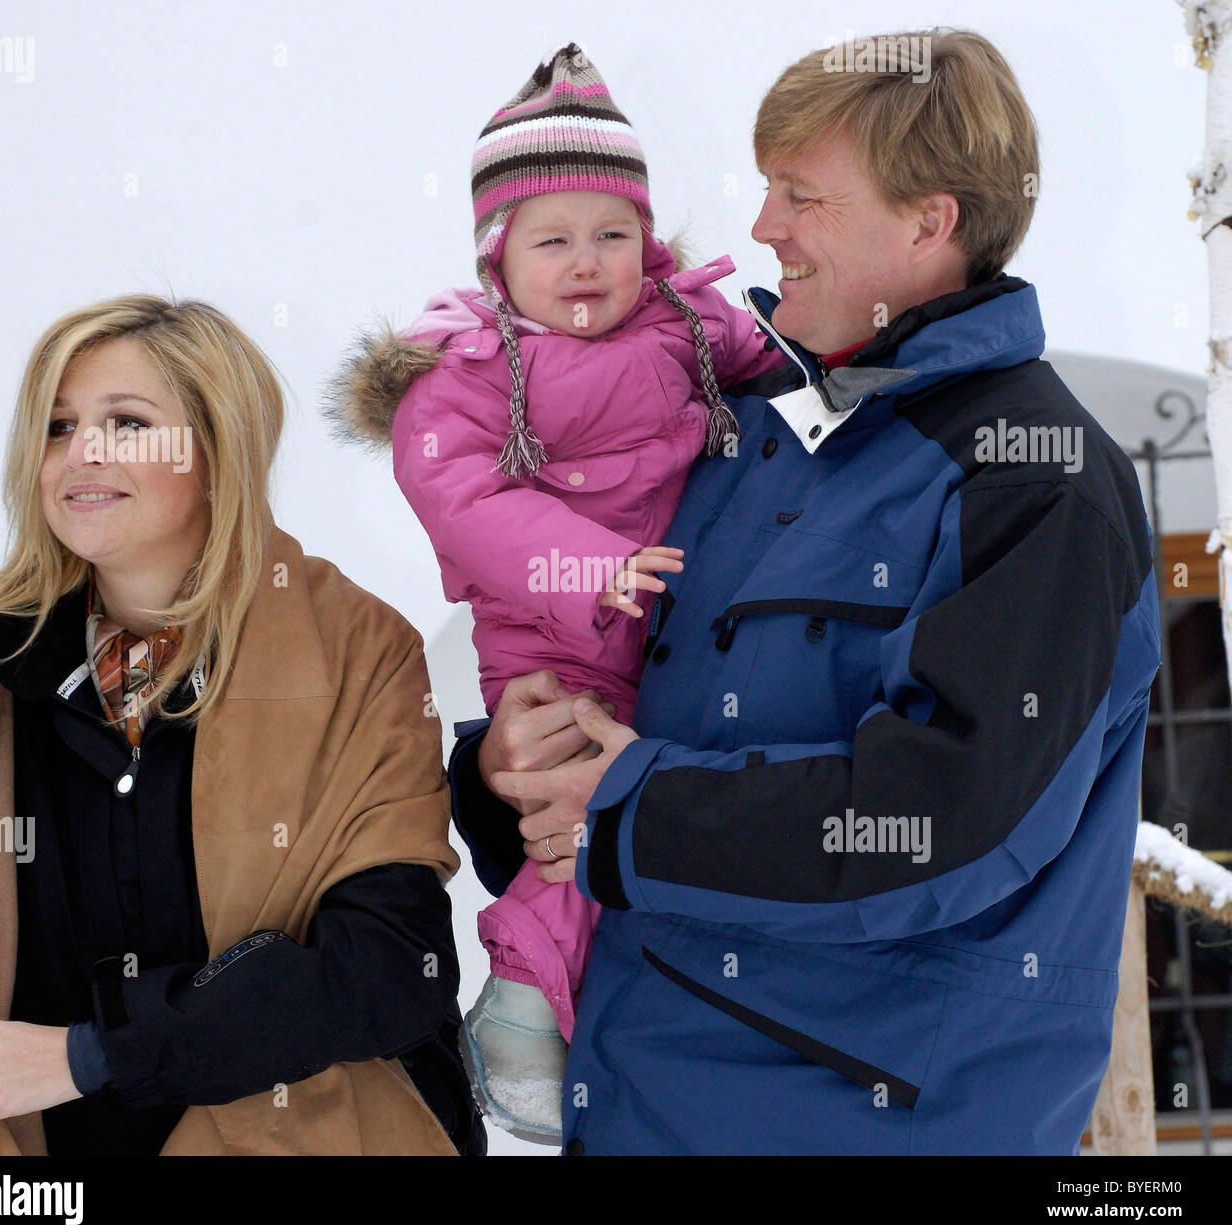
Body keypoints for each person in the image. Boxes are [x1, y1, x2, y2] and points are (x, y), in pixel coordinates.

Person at [445, 28, 1162, 1155]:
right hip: (642, 1098)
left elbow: (948, 818)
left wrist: (629, 807)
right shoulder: (747, 438)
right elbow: (633, 732)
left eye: (801, 196)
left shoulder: (1036, 479)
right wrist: (511, 772)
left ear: (930, 221)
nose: (763, 228)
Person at [330, 43, 780, 1142]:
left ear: (648, 238)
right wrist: (586, 568)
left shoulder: (684, 320)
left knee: (646, 813)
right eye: (553, 240)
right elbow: (458, 495)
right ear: (497, 255)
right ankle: (523, 1009)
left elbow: (782, 363)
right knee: (573, 814)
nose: (586, 263)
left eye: (611, 235)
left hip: (675, 621)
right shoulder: (472, 365)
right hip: (554, 636)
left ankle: (603, 1012)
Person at [0, 295, 484, 1156]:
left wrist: (94, 1053)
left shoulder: (358, 653)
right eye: (57, 425)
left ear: (216, 450)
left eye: (125, 422)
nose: (81, 452)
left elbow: (387, 970)